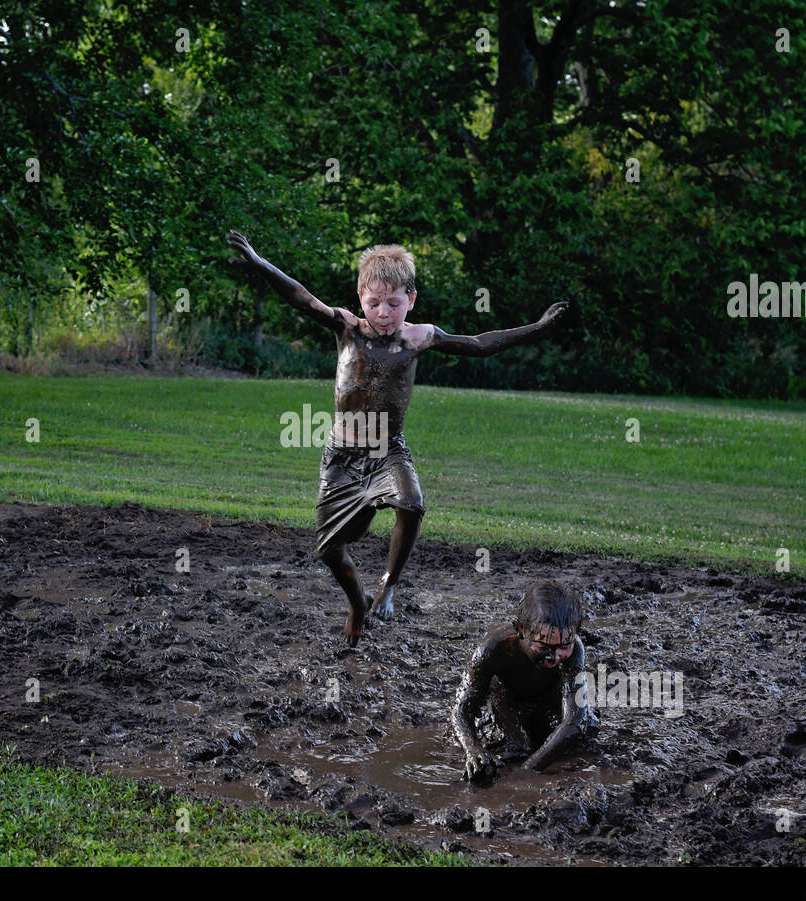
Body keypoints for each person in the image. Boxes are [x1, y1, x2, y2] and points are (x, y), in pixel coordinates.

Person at [228, 229, 566, 645]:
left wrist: (537, 329)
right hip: (343, 455)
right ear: (359, 298)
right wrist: (260, 264)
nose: (383, 312)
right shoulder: (348, 328)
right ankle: (357, 602)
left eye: (393, 303)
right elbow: (301, 296)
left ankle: (388, 585)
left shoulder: (420, 336)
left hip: (388, 449)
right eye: (373, 303)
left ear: (411, 299)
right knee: (329, 549)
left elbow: (479, 344)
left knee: (413, 502)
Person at [451, 580, 598, 780]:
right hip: (507, 705)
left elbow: (575, 720)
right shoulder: (493, 649)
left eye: (564, 645)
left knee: (584, 737)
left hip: (549, 703)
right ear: (521, 630)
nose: (553, 656)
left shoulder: (575, 653)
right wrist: (472, 749)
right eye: (544, 646)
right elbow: (461, 710)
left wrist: (528, 770)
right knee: (514, 748)